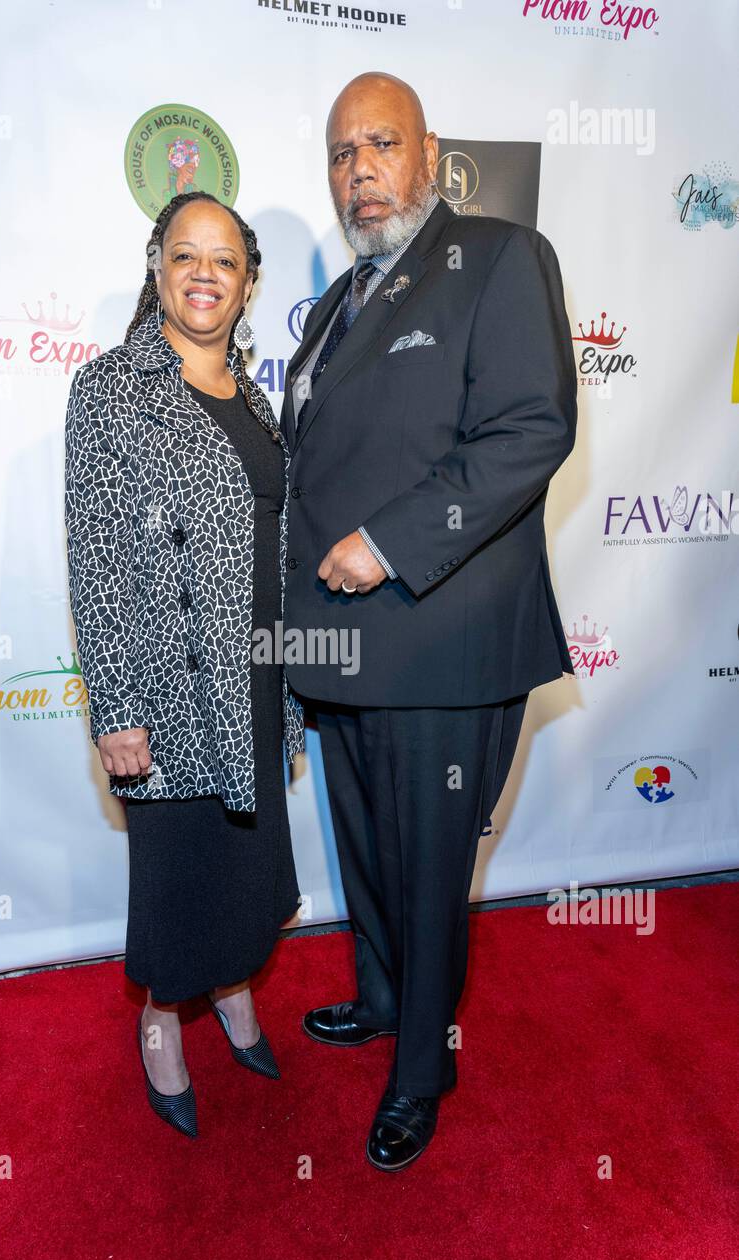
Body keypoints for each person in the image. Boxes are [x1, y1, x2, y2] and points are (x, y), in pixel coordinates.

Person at [281, 72, 577, 1172]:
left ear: (427, 153)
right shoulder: (331, 307)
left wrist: (390, 542)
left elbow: (526, 428)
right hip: (342, 642)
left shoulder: (499, 258)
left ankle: (420, 1068)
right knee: (362, 851)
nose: (358, 170)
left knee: (423, 865)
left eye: (379, 145)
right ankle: (378, 997)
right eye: (340, 153)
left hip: (441, 638)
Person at [65, 191, 305, 1139]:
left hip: (255, 672)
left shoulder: (254, 398)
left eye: (225, 261)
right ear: (156, 267)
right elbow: (96, 558)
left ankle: (238, 993)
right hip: (166, 686)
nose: (205, 274)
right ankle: (163, 1023)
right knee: (176, 872)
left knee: (251, 864)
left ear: (248, 284)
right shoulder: (112, 388)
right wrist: (116, 705)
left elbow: (271, 547)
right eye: (185, 256)